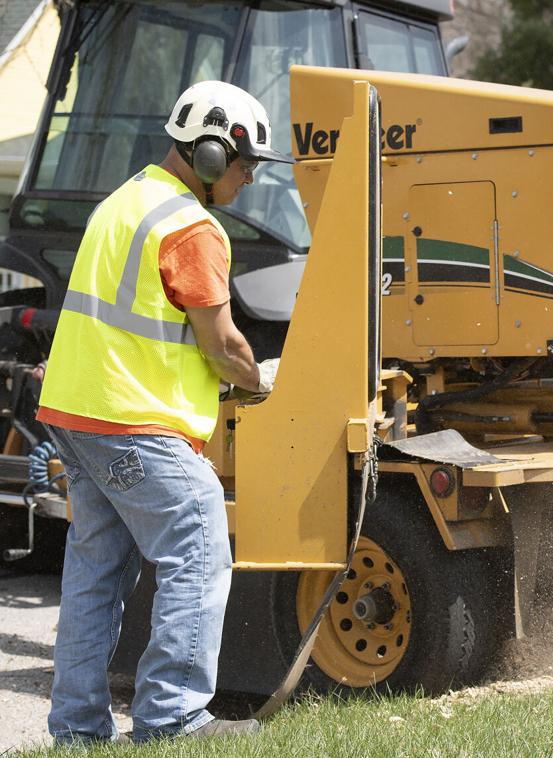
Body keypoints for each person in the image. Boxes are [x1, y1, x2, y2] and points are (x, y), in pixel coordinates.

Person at [36, 81, 290, 744]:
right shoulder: (191, 227)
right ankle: (174, 718)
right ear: (210, 156)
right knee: (199, 527)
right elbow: (221, 342)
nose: (249, 178)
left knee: (96, 567)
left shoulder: (127, 200)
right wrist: (259, 381)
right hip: (130, 422)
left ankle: (77, 731)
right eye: (245, 164)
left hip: (77, 412)